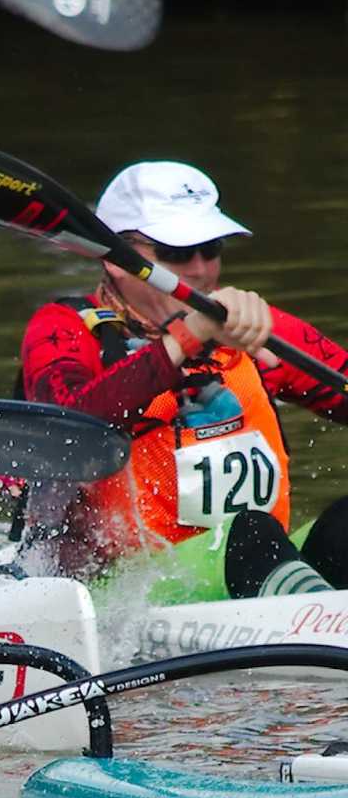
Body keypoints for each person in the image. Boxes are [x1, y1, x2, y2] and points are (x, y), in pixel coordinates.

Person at [18, 161, 348, 603]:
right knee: (250, 532)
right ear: (118, 262)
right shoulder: (63, 328)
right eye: (176, 252)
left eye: (210, 248)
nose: (199, 269)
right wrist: (188, 336)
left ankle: (313, 616)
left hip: (252, 564)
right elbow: (61, 434)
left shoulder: (248, 326)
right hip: (124, 593)